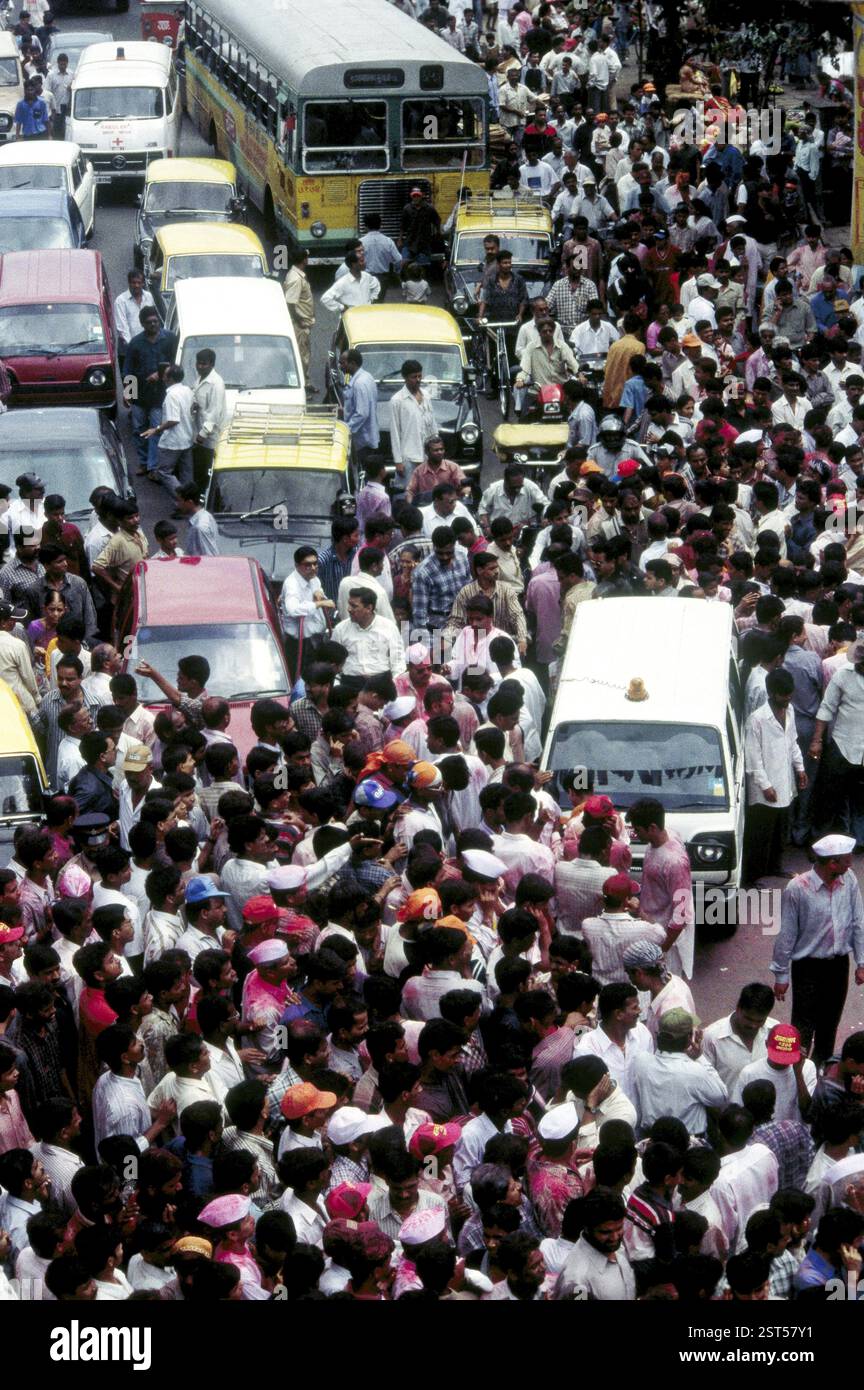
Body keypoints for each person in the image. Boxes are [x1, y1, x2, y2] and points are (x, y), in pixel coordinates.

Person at [771, 833, 864, 1065]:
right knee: (802, 1027)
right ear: (832, 863)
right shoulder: (798, 888)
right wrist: (781, 974)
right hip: (808, 968)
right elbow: (787, 934)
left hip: (838, 964)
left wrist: (861, 962)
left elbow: (857, 921)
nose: (851, 863)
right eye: (847, 859)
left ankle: (820, 1073)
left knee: (829, 1026)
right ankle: (797, 1074)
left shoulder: (849, 879)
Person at [743, 668, 807, 883]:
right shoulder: (757, 719)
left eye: (790, 694)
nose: (788, 698)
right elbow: (753, 758)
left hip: (784, 782)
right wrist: (765, 785)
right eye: (783, 695)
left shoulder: (790, 712)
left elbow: (793, 743)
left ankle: (774, 867)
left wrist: (800, 768)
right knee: (761, 834)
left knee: (780, 832)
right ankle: (752, 876)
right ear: (771, 693)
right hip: (765, 787)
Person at [124, 307, 178, 478]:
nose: (153, 324)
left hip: (160, 395)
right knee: (138, 429)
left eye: (155, 321)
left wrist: (161, 374)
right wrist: (128, 393)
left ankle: (153, 466)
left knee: (156, 429)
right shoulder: (135, 343)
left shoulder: (169, 339)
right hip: (140, 395)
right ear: (142, 324)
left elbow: (177, 362)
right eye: (149, 322)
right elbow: (128, 370)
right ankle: (143, 462)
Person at [142, 365, 196, 501]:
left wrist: (156, 429)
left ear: (169, 378)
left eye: (164, 374)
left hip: (173, 441)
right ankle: (190, 501)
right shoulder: (187, 390)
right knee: (186, 474)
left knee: (163, 472)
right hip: (187, 438)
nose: (162, 376)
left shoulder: (171, 395)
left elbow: (173, 420)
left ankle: (182, 500)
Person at [389, 361, 437, 497]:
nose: (418, 380)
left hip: (427, 455)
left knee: (427, 493)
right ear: (405, 378)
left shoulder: (427, 396)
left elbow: (432, 424)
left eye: (419, 376)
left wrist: (436, 448)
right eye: (414, 377)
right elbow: (395, 433)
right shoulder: (397, 400)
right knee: (408, 493)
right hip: (408, 458)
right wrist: (398, 461)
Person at [191, 349, 227, 489]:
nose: (200, 367)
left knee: (205, 472)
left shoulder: (216, 383)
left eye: (204, 364)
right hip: (198, 433)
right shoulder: (200, 378)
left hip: (208, 438)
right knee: (198, 471)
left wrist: (203, 433)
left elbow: (214, 413)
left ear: (212, 364)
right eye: (198, 363)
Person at [340, 350, 380, 469]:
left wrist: (346, 430)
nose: (340, 367)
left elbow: (362, 413)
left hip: (362, 441)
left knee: (359, 471)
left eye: (342, 363)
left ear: (352, 363)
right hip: (367, 437)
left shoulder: (359, 383)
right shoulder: (367, 376)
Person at [282, 250, 315, 386]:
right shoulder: (296, 279)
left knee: (305, 354)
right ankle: (301, 386)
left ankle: (306, 383)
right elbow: (290, 303)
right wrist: (300, 321)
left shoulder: (297, 275)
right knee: (301, 357)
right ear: (304, 260)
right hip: (299, 325)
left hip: (303, 323)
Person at [114, 270, 156, 372]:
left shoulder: (149, 297)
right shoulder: (121, 301)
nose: (136, 285)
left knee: (146, 382)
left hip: (147, 349)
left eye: (139, 282)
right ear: (129, 283)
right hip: (128, 352)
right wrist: (135, 347)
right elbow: (122, 328)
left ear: (143, 283)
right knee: (131, 385)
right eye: (134, 282)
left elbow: (153, 320)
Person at [175, 485, 220, 558]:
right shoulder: (207, 515)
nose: (177, 504)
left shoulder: (199, 527)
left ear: (190, 502)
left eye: (179, 501)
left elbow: (208, 556)